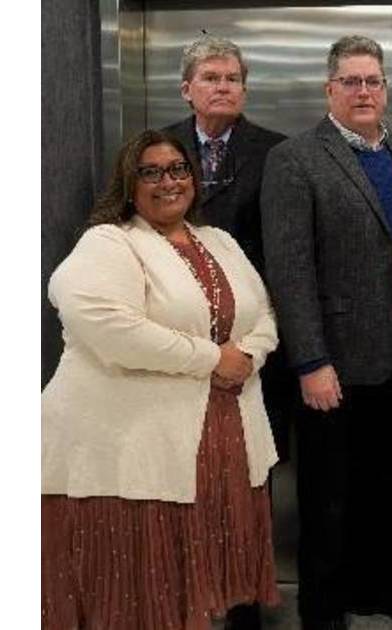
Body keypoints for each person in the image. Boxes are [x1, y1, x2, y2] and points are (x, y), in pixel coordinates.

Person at [42, 130, 280, 630]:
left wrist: (248, 355)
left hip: (220, 435)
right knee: (135, 593)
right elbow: (107, 325)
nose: (168, 181)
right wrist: (211, 357)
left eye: (178, 169)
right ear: (130, 184)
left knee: (188, 589)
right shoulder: (109, 241)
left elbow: (264, 315)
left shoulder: (219, 241)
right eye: (151, 172)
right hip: (125, 445)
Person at [260, 35, 392, 630]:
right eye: (351, 81)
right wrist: (309, 360)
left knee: (387, 487)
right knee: (328, 496)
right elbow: (289, 267)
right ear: (330, 90)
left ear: (386, 89)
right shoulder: (297, 159)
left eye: (373, 81)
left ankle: (377, 587)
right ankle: (323, 609)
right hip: (333, 361)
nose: (363, 91)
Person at [162, 34, 293, 486]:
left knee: (256, 451)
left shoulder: (278, 151)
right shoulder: (160, 149)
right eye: (210, 78)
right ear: (186, 89)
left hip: (253, 322)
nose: (223, 87)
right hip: (178, 318)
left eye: (232, 79)